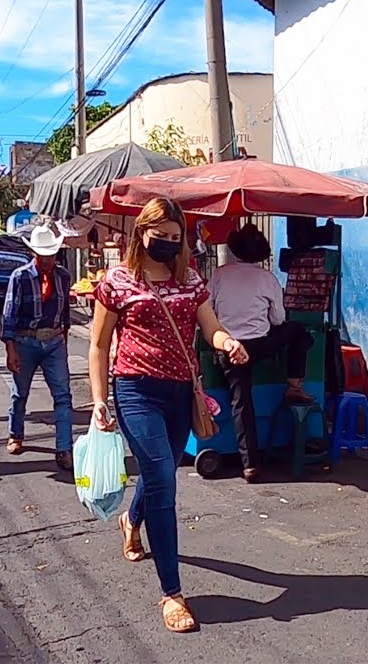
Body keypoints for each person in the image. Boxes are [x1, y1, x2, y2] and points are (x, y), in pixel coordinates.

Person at [89, 197, 249, 634]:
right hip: (135, 390)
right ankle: (172, 593)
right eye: (160, 236)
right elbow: (99, 345)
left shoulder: (190, 279)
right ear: (141, 233)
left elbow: (210, 326)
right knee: (163, 477)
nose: (168, 243)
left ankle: (131, 519)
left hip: (181, 392)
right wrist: (99, 399)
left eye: (175, 238)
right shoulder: (117, 282)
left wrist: (227, 343)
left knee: (160, 472)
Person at [208, 223, 317, 482]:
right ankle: (294, 384)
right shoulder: (268, 279)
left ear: (235, 250)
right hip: (260, 346)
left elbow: (207, 311)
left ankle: (250, 465)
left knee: (241, 401)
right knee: (299, 331)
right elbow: (278, 320)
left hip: (229, 347)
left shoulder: (219, 275)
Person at [1, 224, 76, 470]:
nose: (47, 260)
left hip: (54, 341)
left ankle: (64, 448)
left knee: (63, 396)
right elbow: (9, 314)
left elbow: (65, 311)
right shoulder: (20, 276)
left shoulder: (63, 276)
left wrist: (64, 338)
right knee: (20, 393)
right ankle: (16, 433)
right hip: (25, 341)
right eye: (43, 255)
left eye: (51, 254)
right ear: (34, 253)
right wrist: (10, 349)